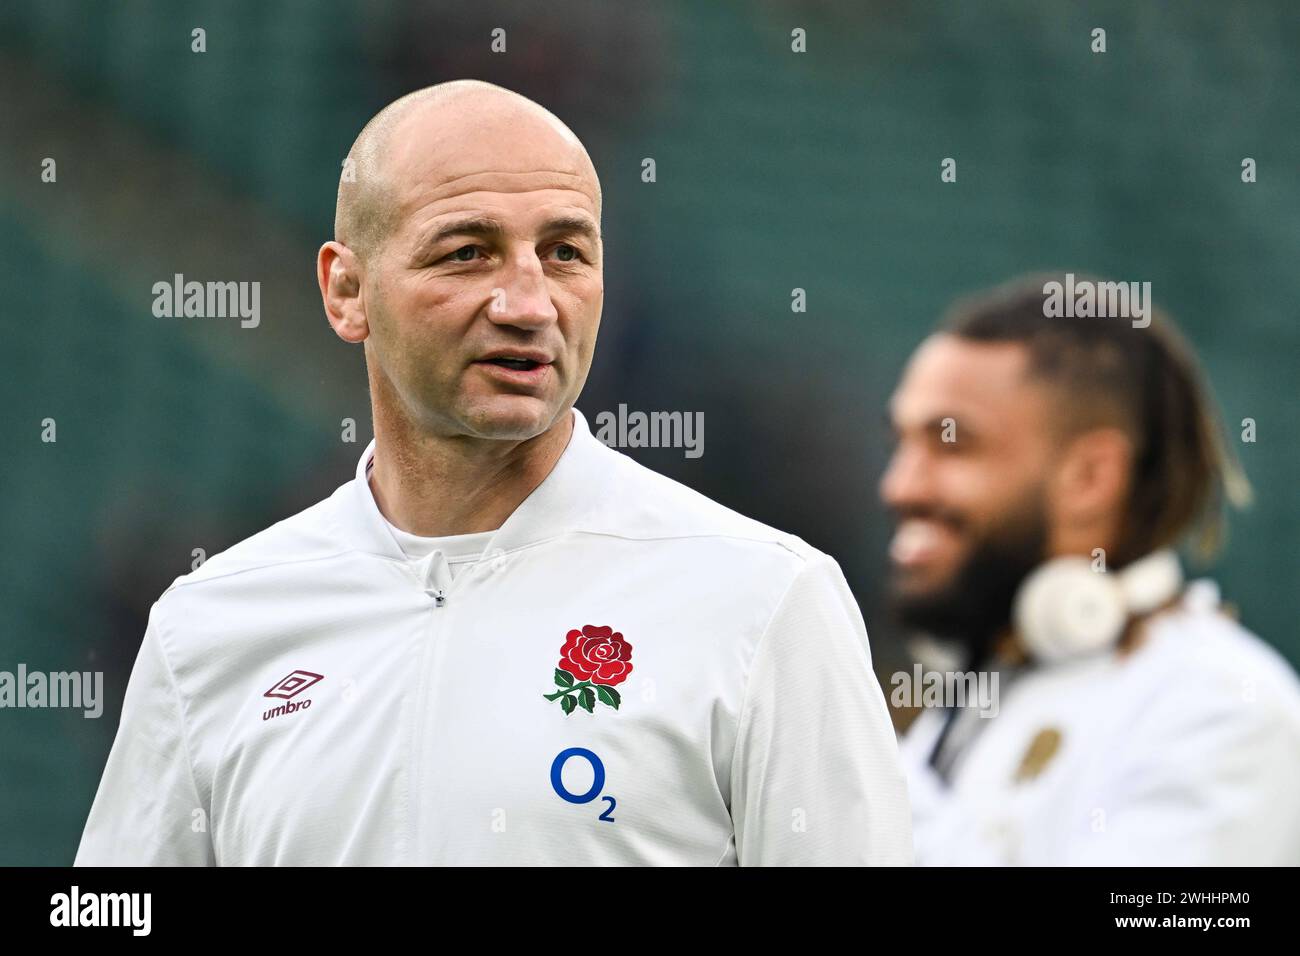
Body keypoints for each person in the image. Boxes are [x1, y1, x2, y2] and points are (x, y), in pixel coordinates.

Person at [75, 80, 912, 866]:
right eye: (468, 252)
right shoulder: (209, 626)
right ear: (346, 291)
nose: (528, 302)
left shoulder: (765, 600)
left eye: (565, 253)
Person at [881, 274, 1300, 865]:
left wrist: (870, 796)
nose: (899, 485)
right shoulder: (985, 688)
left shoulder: (1228, 710)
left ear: (1091, 477)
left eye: (952, 444)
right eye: (901, 441)